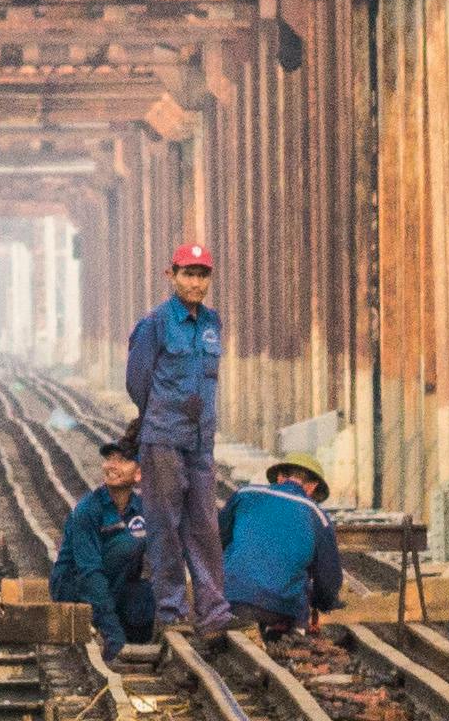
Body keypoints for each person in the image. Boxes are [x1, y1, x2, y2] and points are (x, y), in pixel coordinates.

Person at [125, 242, 233, 631]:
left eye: (202, 275)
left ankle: (213, 611)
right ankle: (171, 610)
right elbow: (137, 381)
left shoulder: (212, 323)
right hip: (164, 437)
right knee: (164, 525)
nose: (196, 283)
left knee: (204, 524)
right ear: (171, 276)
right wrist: (157, 417)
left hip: (201, 441)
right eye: (188, 274)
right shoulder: (154, 323)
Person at [51, 438, 157, 657]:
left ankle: (124, 628)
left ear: (138, 474)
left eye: (122, 460)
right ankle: (105, 627)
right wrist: (111, 630)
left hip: (114, 583)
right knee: (126, 544)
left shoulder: (140, 508)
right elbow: (89, 572)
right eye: (109, 459)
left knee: (146, 596)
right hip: (73, 585)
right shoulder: (88, 509)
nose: (112, 466)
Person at [221, 458, 347, 638]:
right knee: (300, 592)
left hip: (230, 601)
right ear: (312, 486)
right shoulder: (317, 514)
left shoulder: (244, 493)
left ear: (280, 477)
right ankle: (290, 633)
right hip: (281, 610)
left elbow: (217, 541)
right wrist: (323, 604)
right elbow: (329, 579)